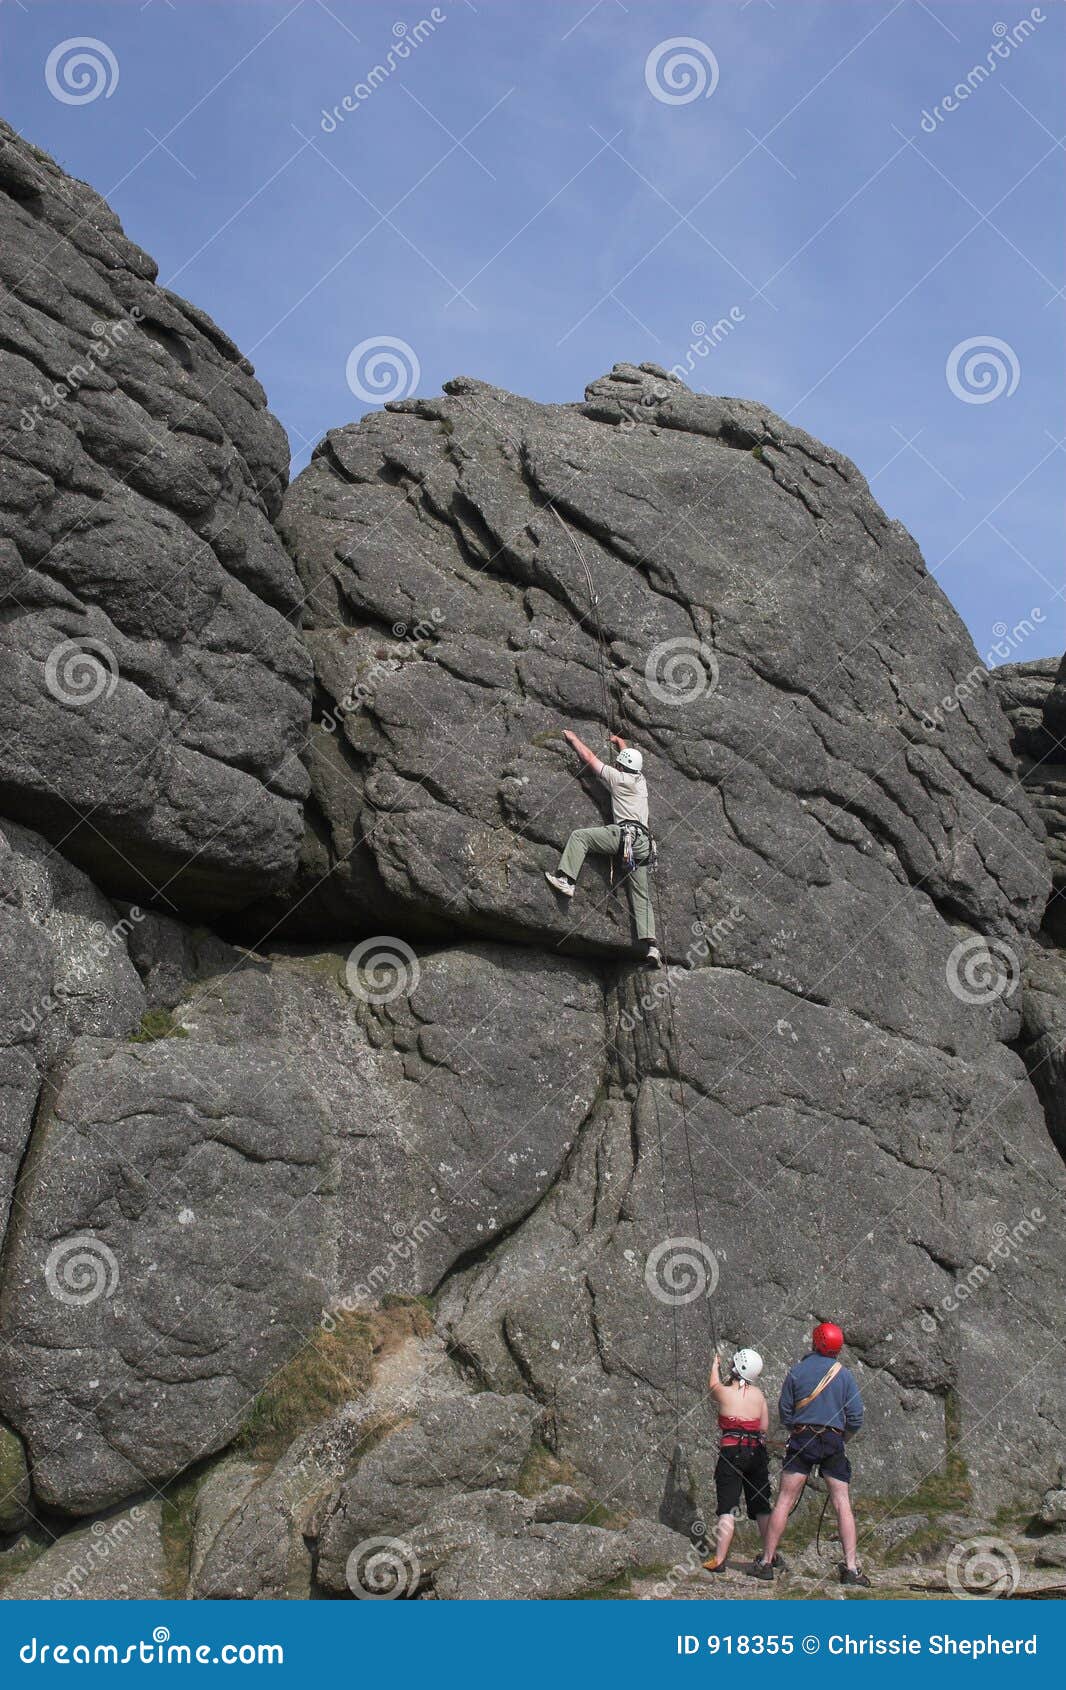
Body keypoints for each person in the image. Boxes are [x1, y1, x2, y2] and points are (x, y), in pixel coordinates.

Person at [753, 1321, 869, 1587]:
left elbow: (786, 1413)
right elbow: (855, 1417)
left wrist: (799, 1428)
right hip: (833, 1441)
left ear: (816, 1341)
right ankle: (851, 1569)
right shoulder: (845, 1375)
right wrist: (843, 1438)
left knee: (784, 1500)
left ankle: (767, 1562)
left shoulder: (797, 1372)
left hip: (803, 1437)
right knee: (842, 1503)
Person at [545, 729, 661, 967]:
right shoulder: (641, 781)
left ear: (621, 767)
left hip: (624, 837)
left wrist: (574, 739)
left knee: (580, 837)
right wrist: (621, 743)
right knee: (641, 894)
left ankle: (566, 880)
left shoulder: (617, 779)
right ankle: (652, 947)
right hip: (644, 846)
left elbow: (589, 758)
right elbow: (630, 761)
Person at [702, 1348, 775, 1573]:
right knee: (761, 1506)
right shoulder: (759, 1395)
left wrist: (714, 1365)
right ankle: (768, 1558)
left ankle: (720, 1559)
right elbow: (763, 1427)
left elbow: (713, 1385)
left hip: (732, 1452)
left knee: (727, 1507)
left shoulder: (725, 1393)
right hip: (756, 1453)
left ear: (736, 1367)